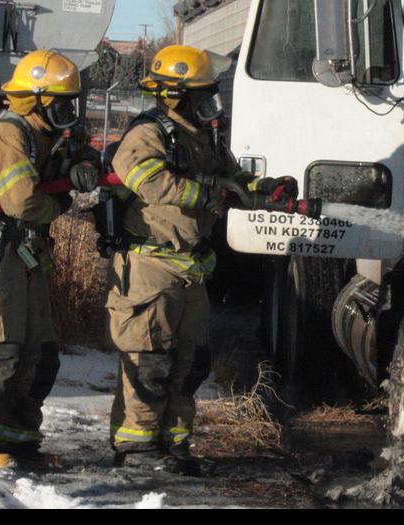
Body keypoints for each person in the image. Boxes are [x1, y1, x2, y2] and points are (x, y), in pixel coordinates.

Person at [106, 45, 297, 474]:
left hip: (188, 268)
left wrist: (267, 189)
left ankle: (173, 445)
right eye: (203, 94)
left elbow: (232, 178)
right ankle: (137, 450)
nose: (212, 104)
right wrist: (210, 194)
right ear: (177, 95)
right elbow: (148, 180)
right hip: (149, 267)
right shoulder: (148, 134)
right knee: (149, 362)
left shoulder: (200, 136)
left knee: (190, 363)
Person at [0, 50, 99, 469]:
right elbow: (24, 201)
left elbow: (83, 153)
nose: (68, 112)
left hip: (26, 257)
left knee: (37, 354)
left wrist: (83, 161)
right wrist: (63, 199)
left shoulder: (44, 134)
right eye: (61, 102)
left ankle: (17, 441)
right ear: (37, 99)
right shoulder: (7, 136)